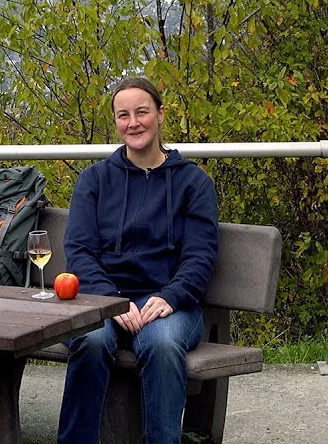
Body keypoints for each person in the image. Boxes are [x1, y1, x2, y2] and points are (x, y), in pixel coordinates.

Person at [57, 76, 219, 444]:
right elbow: (79, 250)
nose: (133, 123)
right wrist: (110, 300)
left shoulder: (194, 183)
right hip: (103, 299)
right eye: (123, 115)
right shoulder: (94, 180)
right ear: (116, 121)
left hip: (169, 303)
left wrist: (172, 296)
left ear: (160, 114)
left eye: (142, 112)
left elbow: (200, 255)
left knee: (161, 344)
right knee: (91, 339)